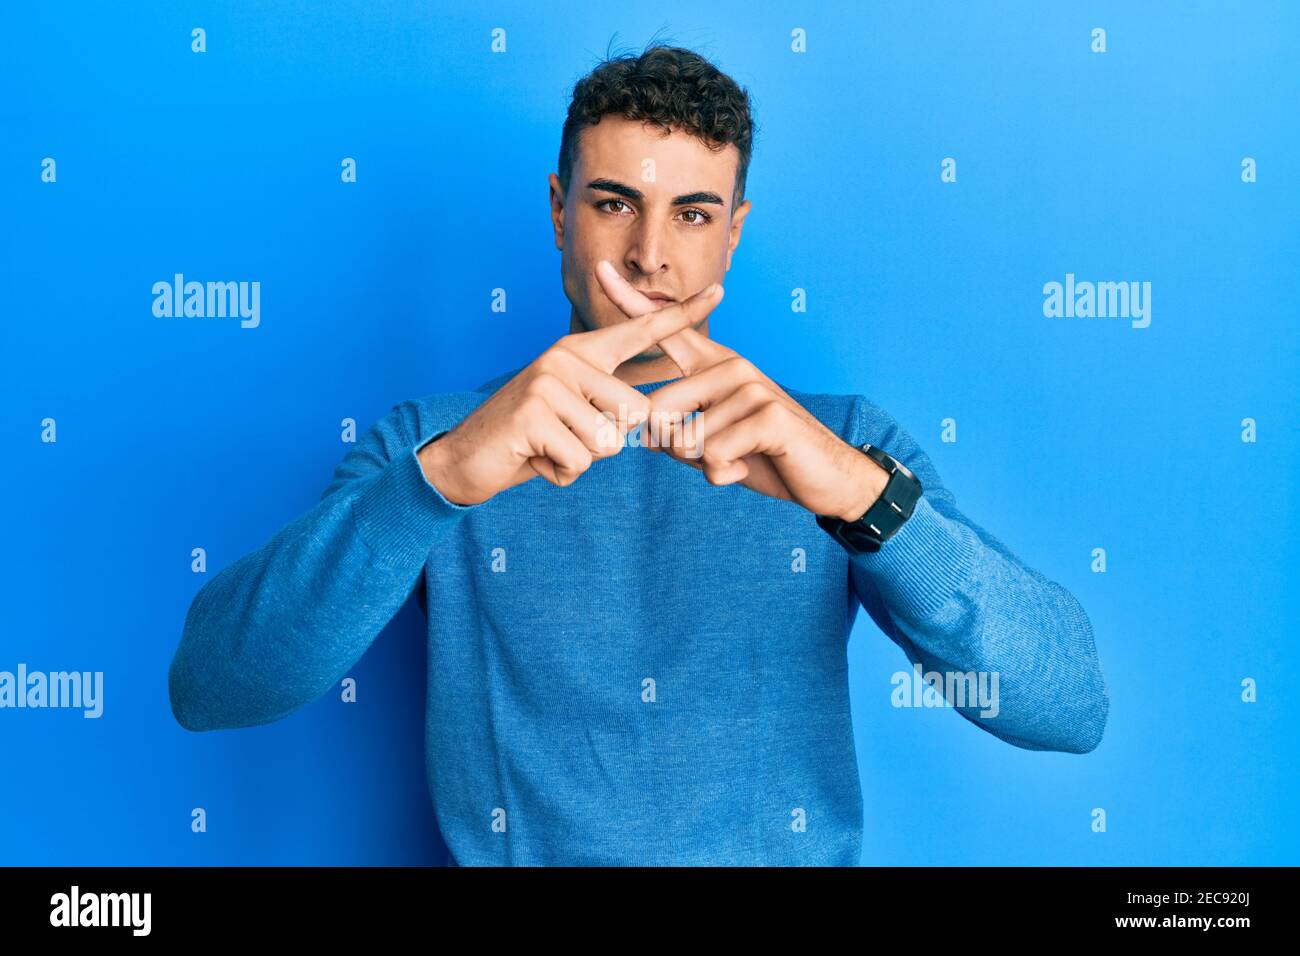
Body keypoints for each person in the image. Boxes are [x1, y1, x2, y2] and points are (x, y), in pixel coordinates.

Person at [168, 43, 1109, 866]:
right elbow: (213, 687)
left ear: (734, 233)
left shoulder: (843, 442)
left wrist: (865, 502)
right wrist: (441, 481)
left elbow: (1066, 705)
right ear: (559, 212)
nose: (650, 255)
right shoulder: (436, 439)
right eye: (616, 203)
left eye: (694, 214)